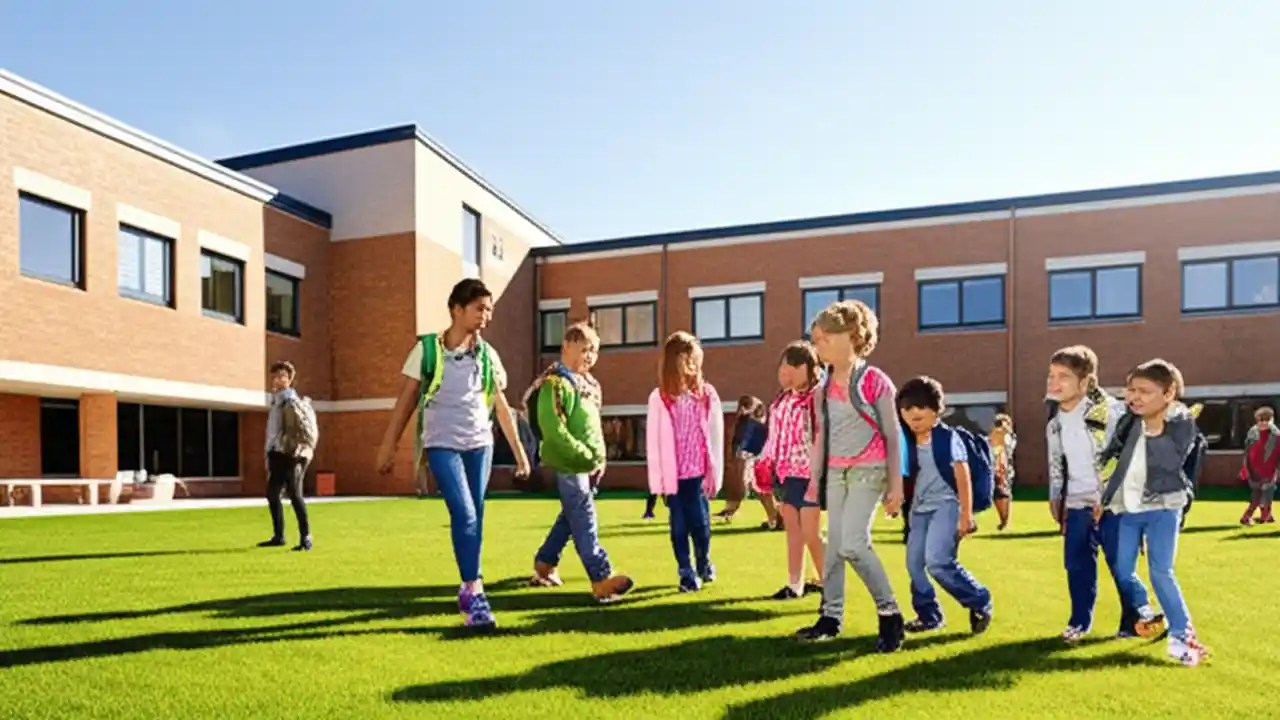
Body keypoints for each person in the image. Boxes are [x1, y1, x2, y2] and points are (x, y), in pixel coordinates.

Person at [375, 278, 530, 631]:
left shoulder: (488, 355)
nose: (486, 316)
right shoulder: (427, 350)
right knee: (464, 513)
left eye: (489, 309)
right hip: (442, 443)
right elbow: (406, 402)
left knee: (476, 516)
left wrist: (519, 453)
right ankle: (474, 589)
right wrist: (387, 448)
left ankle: (469, 587)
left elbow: (502, 407)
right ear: (457, 309)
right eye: (480, 309)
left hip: (480, 445)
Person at [795, 300, 906, 653]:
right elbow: (821, 437)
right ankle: (830, 616)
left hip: (869, 471)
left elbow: (893, 434)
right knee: (833, 551)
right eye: (816, 338)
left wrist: (897, 484)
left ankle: (890, 615)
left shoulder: (875, 382)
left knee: (853, 544)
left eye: (826, 336)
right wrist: (814, 481)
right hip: (835, 473)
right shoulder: (822, 390)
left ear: (854, 337)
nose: (819, 344)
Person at [1046, 345, 1163, 644]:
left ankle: (1139, 617)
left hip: (1116, 504)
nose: (1053, 383)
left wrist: (1107, 497)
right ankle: (1079, 622)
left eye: (1063, 376)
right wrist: (1055, 496)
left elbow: (1124, 457)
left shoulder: (1111, 412)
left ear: (1085, 382)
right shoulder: (1054, 420)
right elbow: (1056, 463)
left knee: (1121, 565)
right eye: (1051, 375)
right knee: (1077, 565)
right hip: (1076, 505)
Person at [1100, 359, 1210, 666]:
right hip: (1129, 508)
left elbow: (1167, 460)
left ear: (1168, 392)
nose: (1133, 396)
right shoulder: (1128, 422)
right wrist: (1104, 499)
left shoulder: (1183, 423)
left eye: (1144, 391)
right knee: (1123, 570)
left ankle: (1182, 637)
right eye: (1130, 389)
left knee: (1161, 571)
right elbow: (1116, 464)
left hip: (1164, 507)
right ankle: (1147, 610)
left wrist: (1154, 425)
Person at [525, 322, 634, 602]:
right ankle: (601, 578)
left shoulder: (589, 384)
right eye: (584, 349)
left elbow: (593, 427)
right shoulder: (556, 384)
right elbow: (554, 429)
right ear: (566, 347)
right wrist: (585, 456)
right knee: (584, 518)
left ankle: (544, 563)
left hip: (589, 465)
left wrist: (600, 458)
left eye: (594, 350)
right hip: (570, 463)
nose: (589, 356)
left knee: (570, 517)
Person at [898, 376, 993, 635]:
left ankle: (979, 599)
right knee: (914, 564)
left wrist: (965, 514)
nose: (913, 417)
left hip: (947, 505)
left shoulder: (949, 438)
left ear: (936, 409)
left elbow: (962, 477)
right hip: (919, 509)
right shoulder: (906, 441)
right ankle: (928, 615)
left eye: (920, 410)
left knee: (938, 560)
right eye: (907, 411)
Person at [645, 331, 724, 592]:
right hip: (674, 478)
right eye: (690, 358)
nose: (695, 365)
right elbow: (654, 442)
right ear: (676, 360)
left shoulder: (705, 395)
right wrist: (658, 482)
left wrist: (715, 473)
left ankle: (703, 562)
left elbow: (715, 434)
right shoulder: (661, 398)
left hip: (697, 475)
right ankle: (686, 572)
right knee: (679, 527)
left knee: (700, 525)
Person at [757, 342, 823, 599]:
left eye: (790, 368)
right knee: (793, 530)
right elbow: (773, 437)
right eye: (782, 369)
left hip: (810, 473)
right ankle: (794, 584)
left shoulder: (818, 397)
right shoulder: (781, 401)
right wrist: (764, 464)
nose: (784, 374)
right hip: (786, 473)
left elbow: (821, 436)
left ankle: (828, 580)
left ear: (806, 367)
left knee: (810, 531)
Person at [260, 360, 316, 552]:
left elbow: (298, 429)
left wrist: (294, 450)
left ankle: (306, 537)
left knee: (294, 493)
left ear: (290, 379)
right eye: (275, 376)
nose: (278, 380)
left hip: (291, 453)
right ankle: (279, 536)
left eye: (282, 376)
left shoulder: (290, 400)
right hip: (277, 452)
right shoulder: (276, 399)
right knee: (272, 494)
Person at [716, 396, 769, 524]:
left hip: (750, 453)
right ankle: (730, 509)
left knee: (750, 482)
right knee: (745, 481)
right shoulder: (744, 420)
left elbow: (753, 436)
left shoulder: (754, 419)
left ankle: (775, 516)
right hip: (745, 452)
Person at [1240, 406, 1280, 525]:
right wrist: (1246, 469)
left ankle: (1266, 515)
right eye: (1260, 420)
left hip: (1270, 469)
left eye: (1266, 420)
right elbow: (1247, 454)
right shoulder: (1252, 435)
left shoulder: (1276, 436)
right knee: (1258, 495)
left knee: (1268, 493)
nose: (1263, 423)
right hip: (1255, 470)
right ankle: (1248, 516)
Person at [990, 413, 1016, 530]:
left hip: (1003, 466)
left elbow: (1003, 449)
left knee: (1003, 493)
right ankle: (1004, 519)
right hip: (1000, 466)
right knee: (1000, 493)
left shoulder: (1006, 435)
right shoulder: (998, 434)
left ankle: (1004, 519)